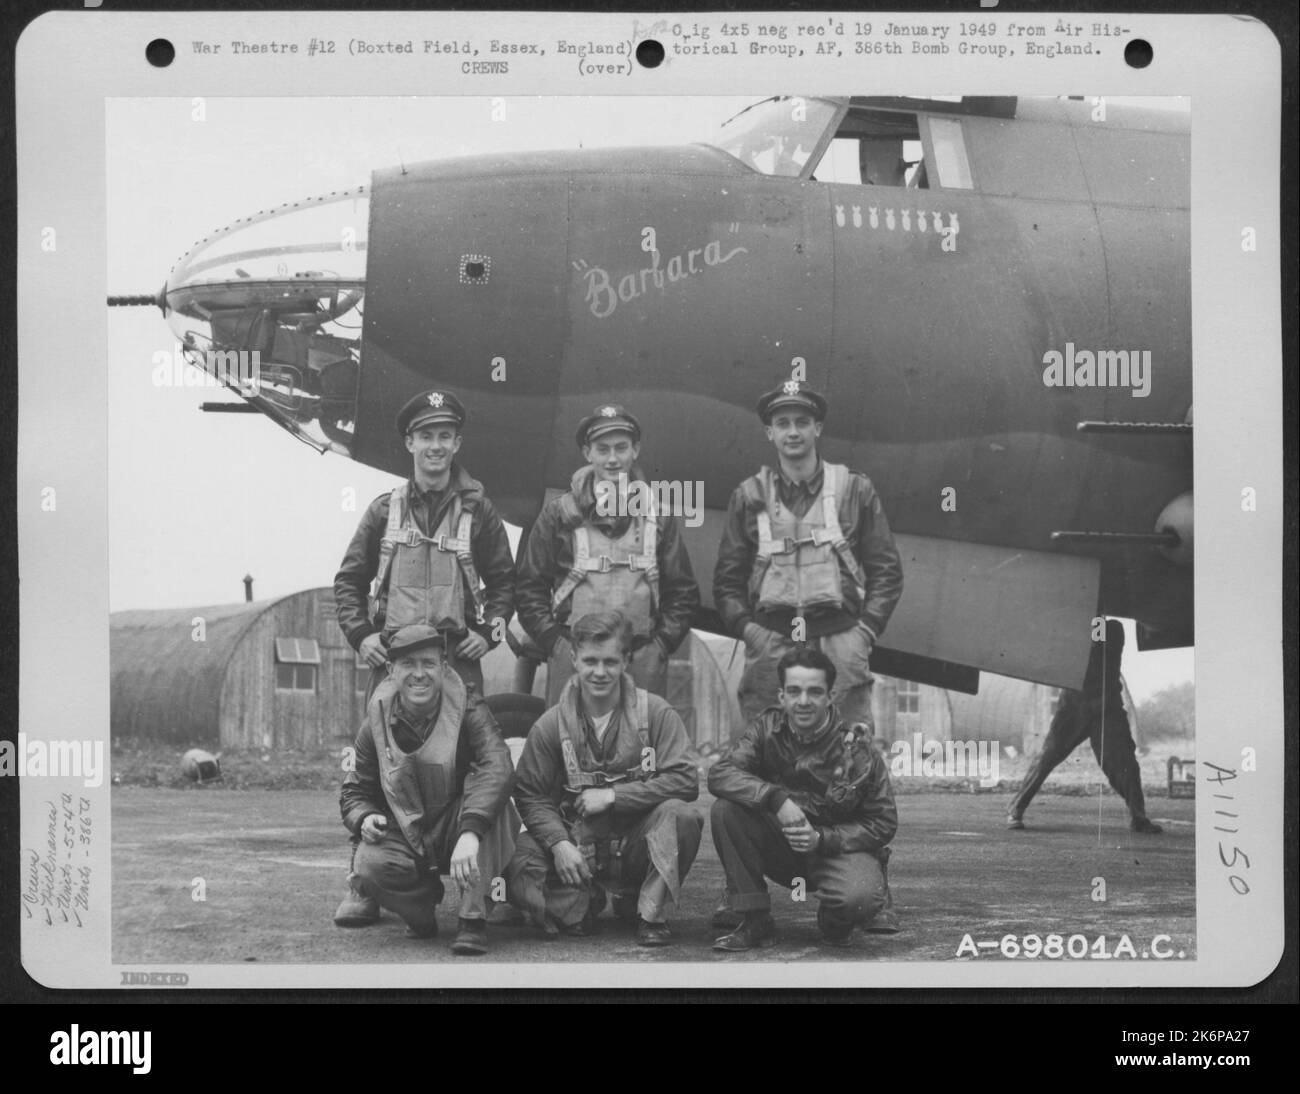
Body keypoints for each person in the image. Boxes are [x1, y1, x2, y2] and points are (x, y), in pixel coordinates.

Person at [332, 387, 516, 927]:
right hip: (396, 662)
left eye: (445, 436)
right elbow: (348, 581)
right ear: (409, 443)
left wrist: (490, 633)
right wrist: (360, 635)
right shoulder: (382, 511)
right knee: (382, 763)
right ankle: (365, 883)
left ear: (457, 443)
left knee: (470, 761)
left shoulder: (480, 511)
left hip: (456, 660)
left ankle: (478, 883)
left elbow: (505, 583)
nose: (435, 446)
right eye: (426, 436)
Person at [712, 379, 903, 735]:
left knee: (849, 745)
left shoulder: (854, 489)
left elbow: (887, 571)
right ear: (769, 432)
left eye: (802, 422)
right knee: (765, 744)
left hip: (840, 635)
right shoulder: (749, 496)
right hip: (771, 638)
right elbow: (727, 581)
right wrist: (750, 632)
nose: (793, 432)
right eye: (782, 423)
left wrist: (864, 632)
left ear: (818, 428)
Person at [505, 611, 703, 946]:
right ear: (574, 659)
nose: (600, 672)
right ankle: (580, 903)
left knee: (681, 817)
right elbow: (530, 794)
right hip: (578, 849)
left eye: (610, 661)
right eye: (590, 661)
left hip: (636, 846)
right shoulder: (551, 724)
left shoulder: (655, 713)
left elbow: (686, 779)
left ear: (626, 660)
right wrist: (558, 843)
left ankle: (648, 910)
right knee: (514, 856)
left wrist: (614, 796)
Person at [339, 625, 517, 954]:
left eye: (429, 663)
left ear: (443, 667)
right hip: (407, 830)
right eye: (408, 664)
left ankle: (472, 918)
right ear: (390, 670)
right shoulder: (375, 719)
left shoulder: (469, 706)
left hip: (457, 825)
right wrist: (364, 817)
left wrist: (471, 830)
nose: (419, 674)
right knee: (368, 864)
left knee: (498, 808)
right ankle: (421, 909)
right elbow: (354, 790)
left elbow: (499, 765)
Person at [708, 646, 897, 951]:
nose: (804, 701)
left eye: (814, 692)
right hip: (781, 846)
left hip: (834, 851)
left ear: (830, 696)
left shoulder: (857, 749)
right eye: (794, 691)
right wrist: (776, 799)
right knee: (726, 809)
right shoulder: (765, 729)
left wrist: (821, 838)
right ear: (782, 696)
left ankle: (836, 920)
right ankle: (755, 919)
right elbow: (721, 773)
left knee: (859, 900)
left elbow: (883, 821)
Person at [515, 403, 700, 704]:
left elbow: (683, 593)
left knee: (642, 733)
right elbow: (528, 587)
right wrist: (555, 644)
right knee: (569, 732)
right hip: (574, 656)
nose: (612, 459)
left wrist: (660, 645)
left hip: (640, 656)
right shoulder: (558, 514)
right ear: (587, 453)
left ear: (635, 450)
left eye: (621, 448)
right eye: (602, 449)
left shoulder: (659, 516)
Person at [1007, 619, 1162, 833]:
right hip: (1076, 705)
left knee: (1126, 764)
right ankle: (1016, 808)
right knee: (1048, 757)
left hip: (1106, 707)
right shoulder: (1078, 631)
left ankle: (1139, 817)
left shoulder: (1111, 630)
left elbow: (1093, 642)